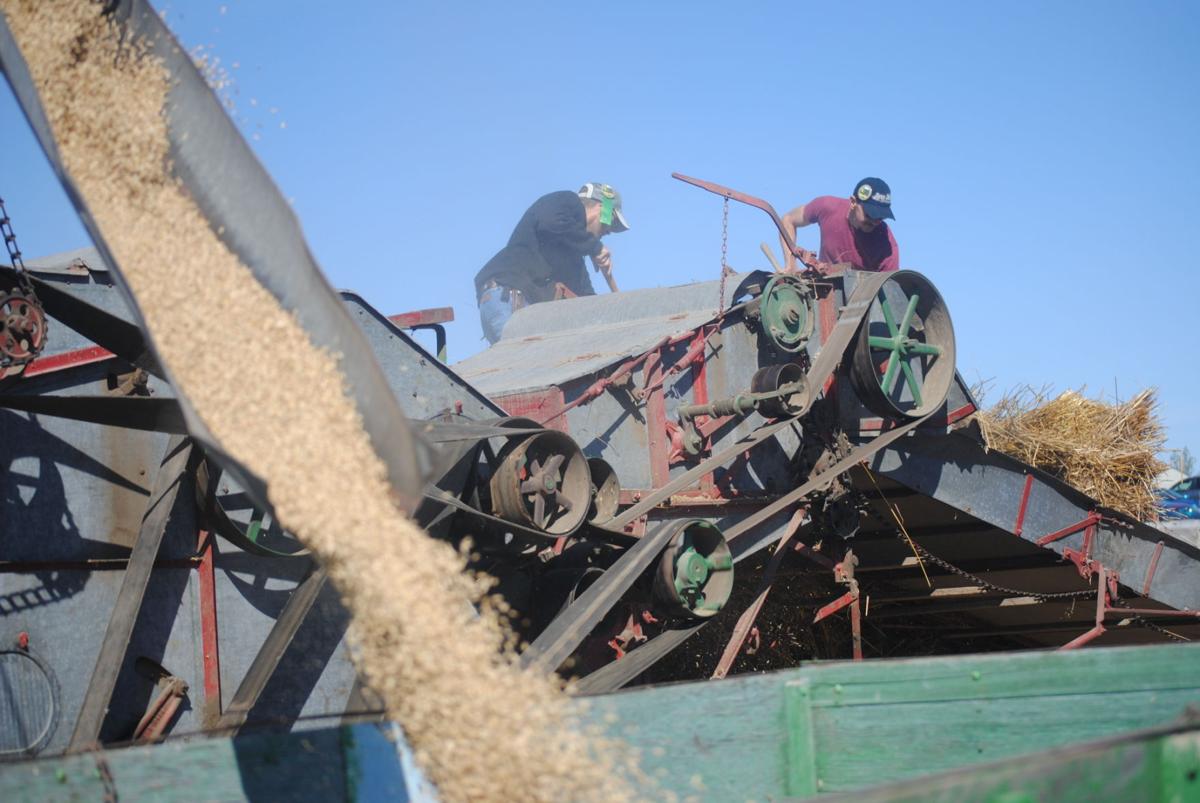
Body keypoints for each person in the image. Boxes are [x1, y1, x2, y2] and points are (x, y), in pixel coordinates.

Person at [474, 183, 629, 344]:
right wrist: (594, 247)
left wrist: (612, 314)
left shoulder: (573, 254)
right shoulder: (567, 202)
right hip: (509, 298)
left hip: (514, 305)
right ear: (601, 208)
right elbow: (551, 221)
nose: (607, 232)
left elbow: (586, 298)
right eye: (608, 224)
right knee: (526, 361)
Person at [779, 177, 899, 273]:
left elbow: (892, 292)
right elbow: (788, 220)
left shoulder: (887, 245)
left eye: (880, 218)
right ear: (853, 202)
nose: (874, 222)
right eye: (869, 215)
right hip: (823, 291)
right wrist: (791, 266)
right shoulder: (828, 207)